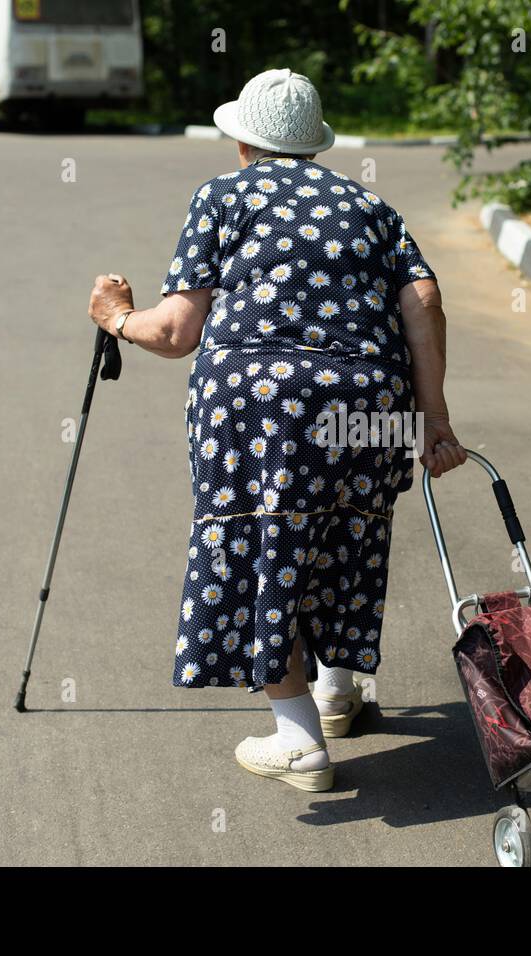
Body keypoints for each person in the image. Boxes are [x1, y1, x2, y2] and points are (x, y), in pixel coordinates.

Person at [87, 68, 464, 792]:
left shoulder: (224, 196)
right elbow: (424, 299)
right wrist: (432, 419)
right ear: (314, 145)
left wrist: (113, 319)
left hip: (261, 405)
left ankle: (298, 739)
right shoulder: (370, 208)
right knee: (344, 531)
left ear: (242, 141)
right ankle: (335, 691)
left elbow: (174, 333)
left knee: (268, 544)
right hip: (371, 399)